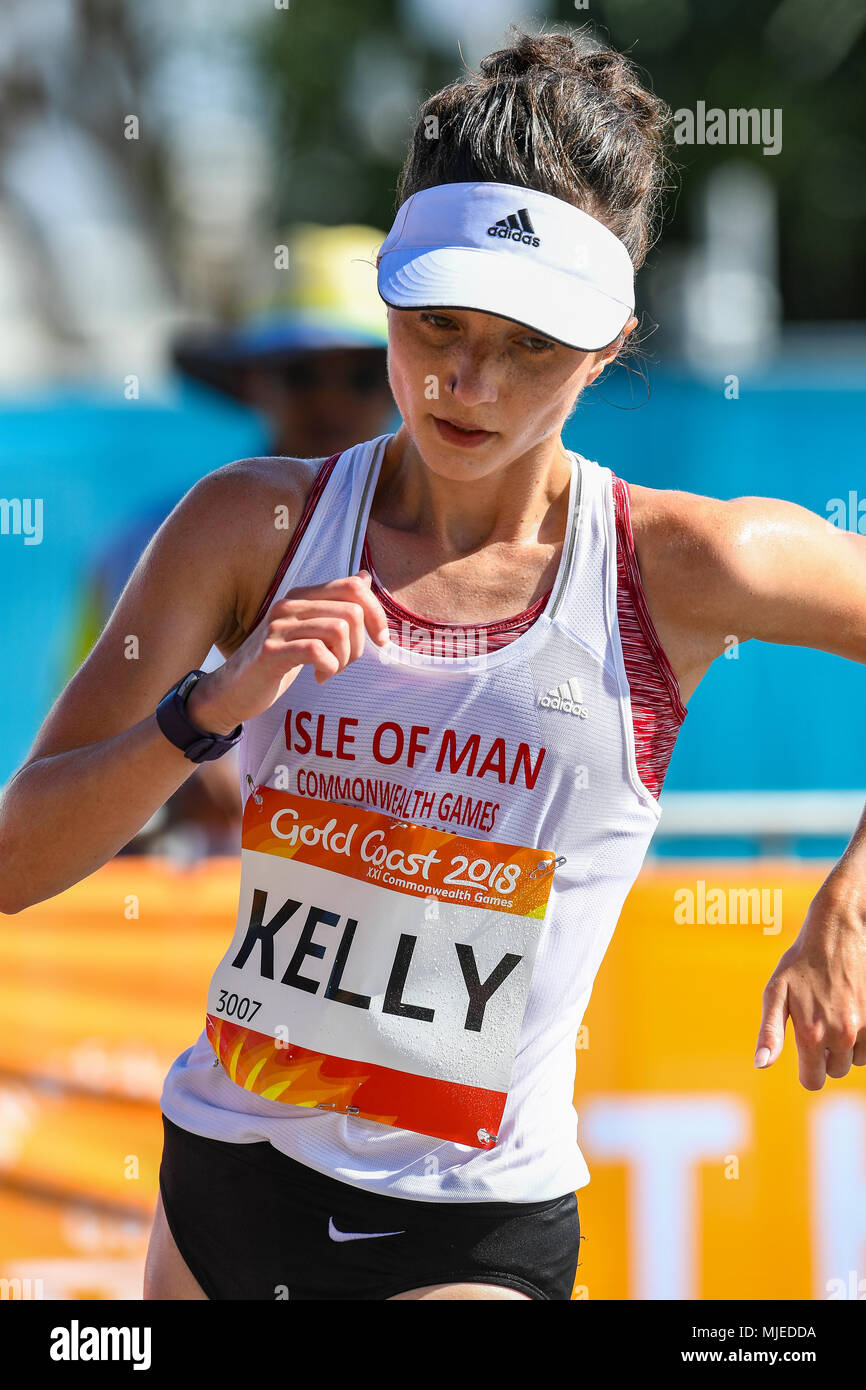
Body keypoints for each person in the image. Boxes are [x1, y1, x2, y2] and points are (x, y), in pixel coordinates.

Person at [2, 23, 865, 1302]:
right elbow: (18, 862)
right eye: (438, 325)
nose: (467, 382)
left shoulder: (685, 562)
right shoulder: (252, 525)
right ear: (389, 294)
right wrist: (210, 712)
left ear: (611, 340)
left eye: (529, 345)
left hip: (470, 1224)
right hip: (229, 1176)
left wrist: (848, 900)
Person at [62, 224, 395, 859]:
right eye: (300, 373)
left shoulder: (457, 547)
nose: (330, 399)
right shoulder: (146, 546)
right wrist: (172, 760)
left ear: (404, 377)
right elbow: (75, 758)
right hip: (188, 911)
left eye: (360, 374)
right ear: (253, 382)